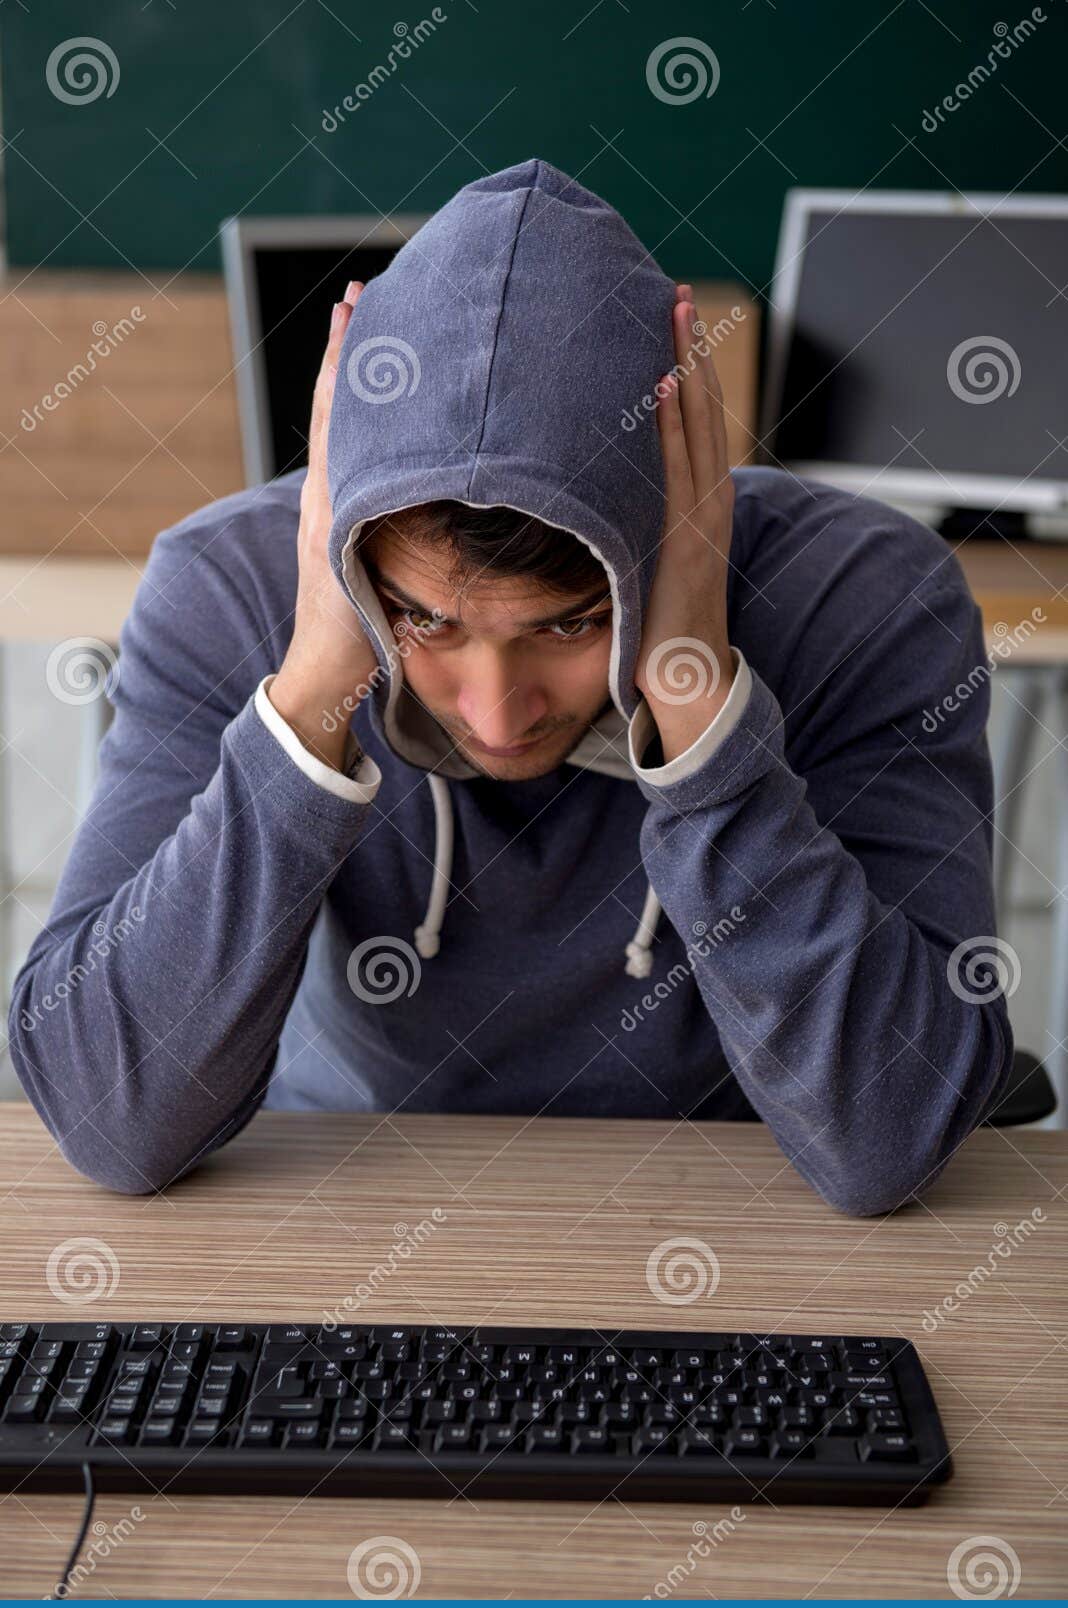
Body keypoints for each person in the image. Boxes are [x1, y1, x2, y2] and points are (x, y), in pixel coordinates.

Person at [9, 159, 1012, 1213]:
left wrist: (700, 702)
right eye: (426, 619)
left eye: (570, 622)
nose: (496, 710)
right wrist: (311, 695)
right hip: (345, 1205)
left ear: (671, 533)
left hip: (738, 1212)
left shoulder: (869, 599)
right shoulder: (225, 586)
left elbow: (893, 1135)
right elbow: (110, 1121)